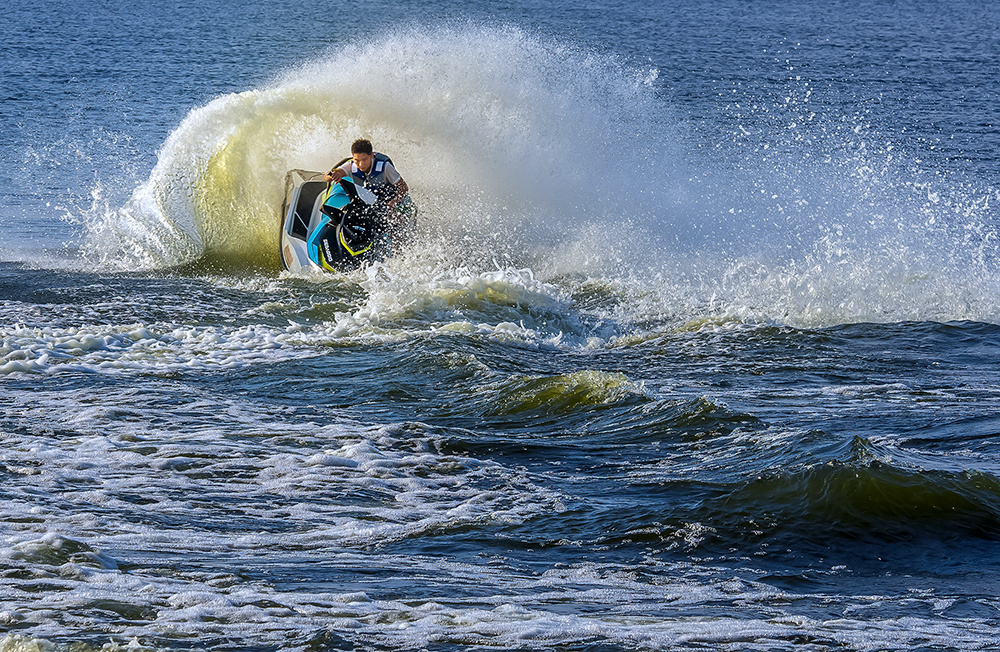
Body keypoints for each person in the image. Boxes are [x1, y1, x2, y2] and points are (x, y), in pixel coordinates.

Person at [325, 139, 414, 232]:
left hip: (395, 201)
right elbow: (326, 177)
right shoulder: (351, 166)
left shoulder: (385, 167)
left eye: (364, 159)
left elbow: (403, 187)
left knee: (394, 221)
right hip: (375, 203)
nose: (361, 164)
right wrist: (335, 175)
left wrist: (392, 203)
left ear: (371, 155)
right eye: (357, 160)